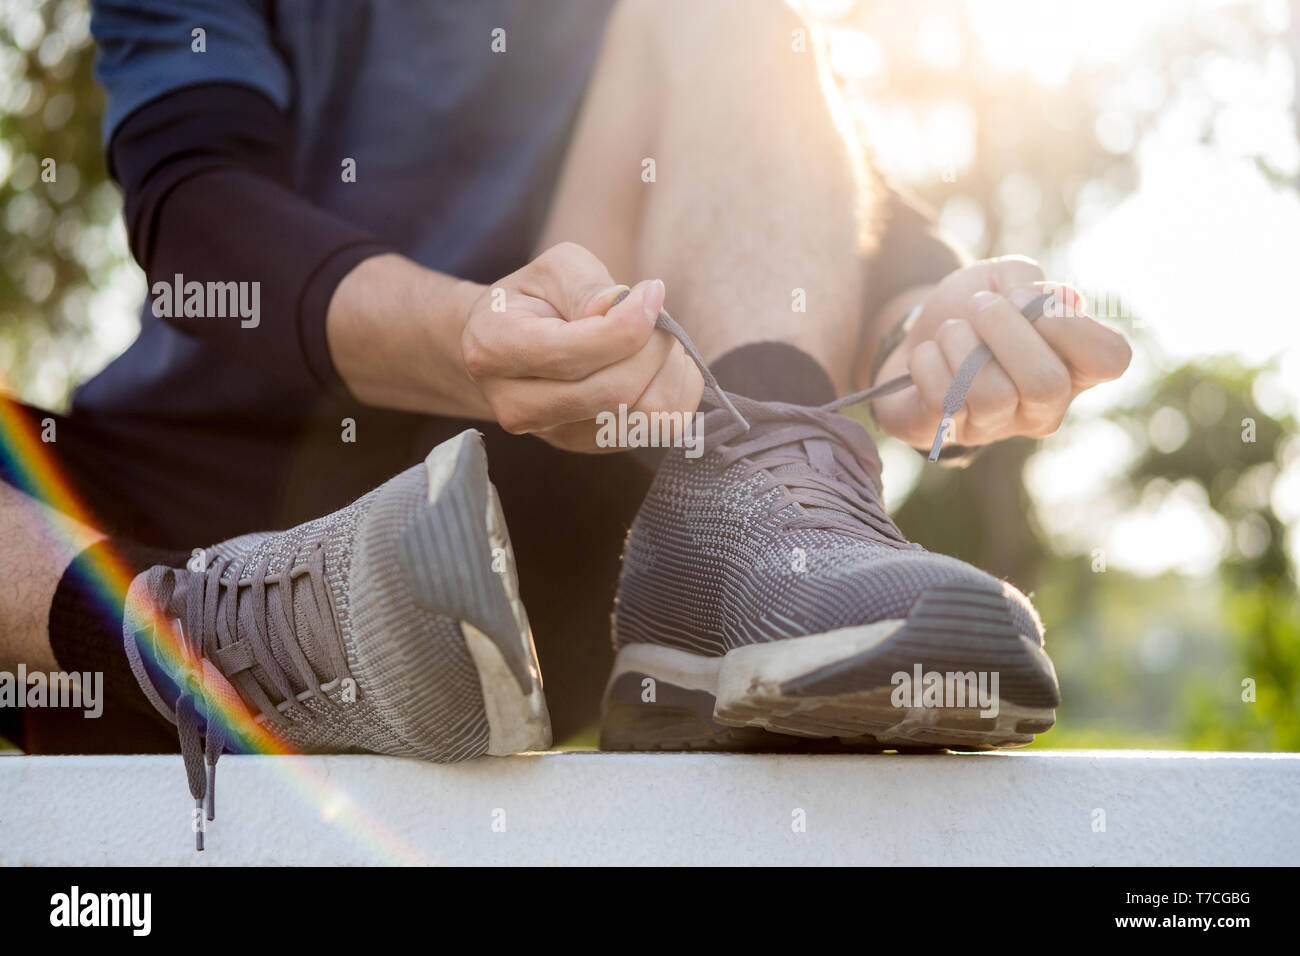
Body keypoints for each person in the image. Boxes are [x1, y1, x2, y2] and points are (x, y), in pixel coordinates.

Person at [0, 0, 1130, 820]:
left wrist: (919, 310)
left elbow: (788, 145)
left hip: (534, 525)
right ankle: (223, 639)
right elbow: (198, 207)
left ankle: (768, 536)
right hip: (165, 511)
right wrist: (468, 336)